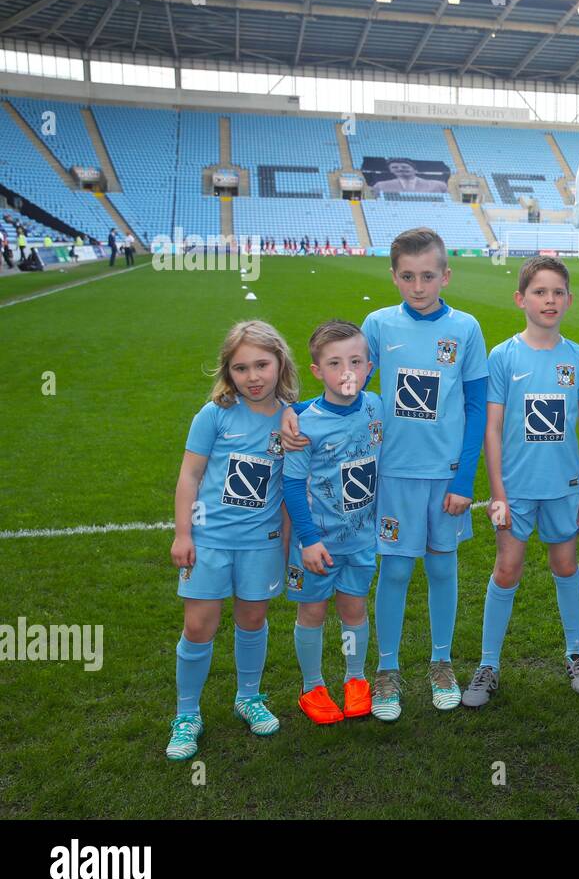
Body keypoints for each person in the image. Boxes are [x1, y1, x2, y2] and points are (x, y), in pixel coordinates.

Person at [281, 227, 487, 719]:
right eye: (409, 276)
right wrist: (296, 410)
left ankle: (441, 664)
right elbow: (347, 384)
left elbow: (477, 407)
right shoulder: (377, 324)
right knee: (394, 569)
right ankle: (387, 672)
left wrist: (464, 482)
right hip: (391, 475)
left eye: (429, 276)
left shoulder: (466, 329)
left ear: (445, 275)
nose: (419, 286)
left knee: (442, 566)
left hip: (445, 475)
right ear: (394, 276)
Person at [462, 257, 579, 708]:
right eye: (540, 292)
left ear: (569, 300)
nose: (550, 300)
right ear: (521, 299)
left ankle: (577, 654)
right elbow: (493, 428)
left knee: (565, 566)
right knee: (507, 569)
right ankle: (488, 664)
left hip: (564, 487)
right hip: (516, 490)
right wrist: (497, 493)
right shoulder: (503, 357)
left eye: (558, 292)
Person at [165, 321, 299, 761]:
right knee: (199, 627)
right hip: (209, 542)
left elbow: (289, 486)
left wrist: (282, 546)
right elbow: (190, 475)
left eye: (262, 364)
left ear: (280, 362)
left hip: (261, 544)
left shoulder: (292, 417)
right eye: (241, 368)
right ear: (229, 371)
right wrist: (184, 533)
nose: (253, 376)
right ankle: (187, 714)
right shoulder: (215, 413)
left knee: (252, 621)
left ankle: (249, 697)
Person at [282, 320, 382, 725]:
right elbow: (291, 486)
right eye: (335, 363)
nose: (347, 372)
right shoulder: (305, 426)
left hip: (359, 539)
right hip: (316, 544)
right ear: (317, 371)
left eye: (355, 361)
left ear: (369, 366)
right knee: (313, 614)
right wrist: (307, 539)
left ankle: (355, 678)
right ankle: (312, 686)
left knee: (354, 609)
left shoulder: (375, 406)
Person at [372, 158, 448, 195]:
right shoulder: (381, 186)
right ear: (390, 171)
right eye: (394, 167)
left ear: (415, 170)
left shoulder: (438, 185)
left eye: (405, 167)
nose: (400, 169)